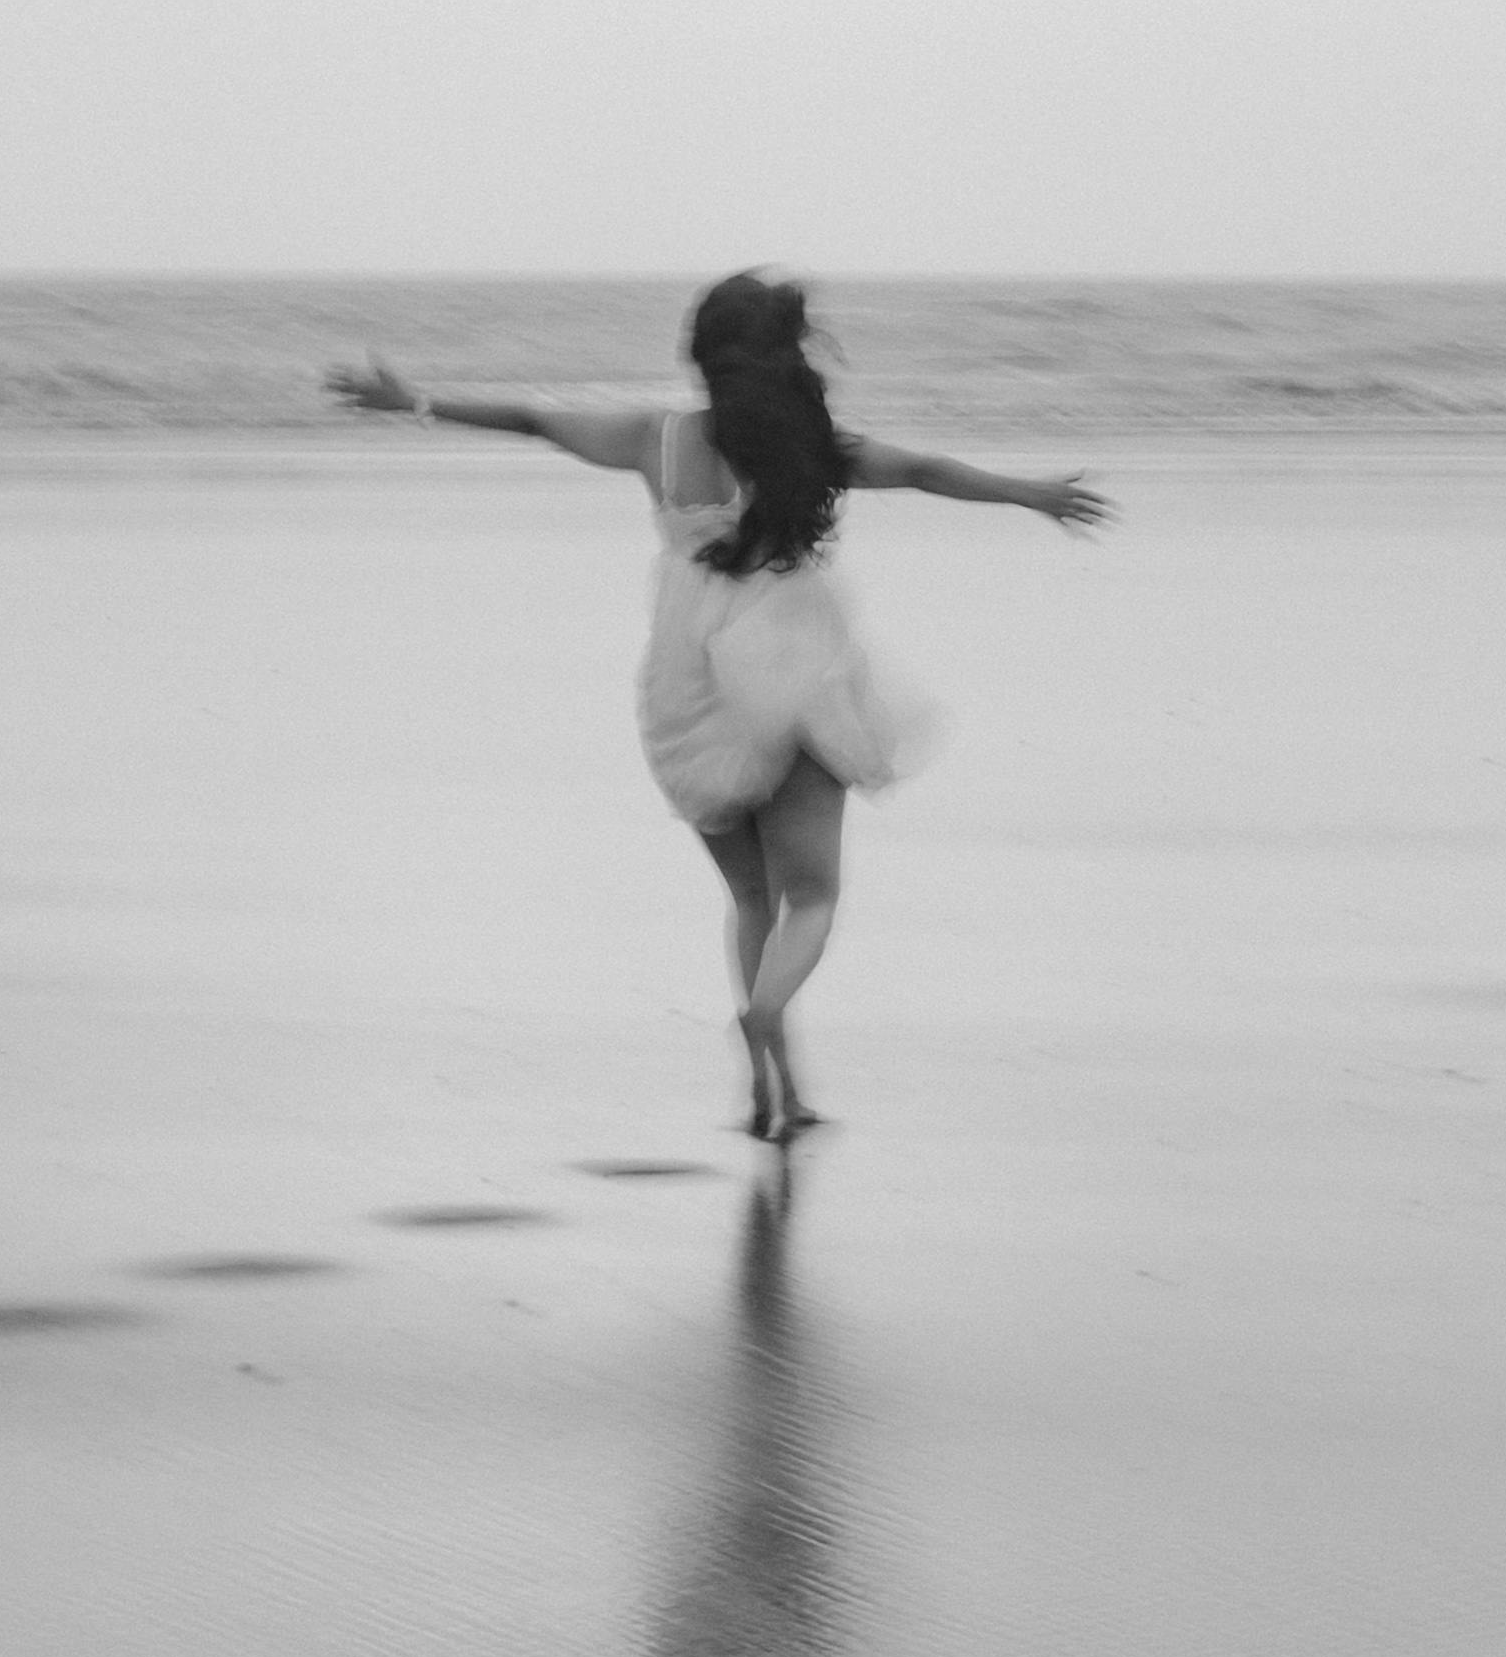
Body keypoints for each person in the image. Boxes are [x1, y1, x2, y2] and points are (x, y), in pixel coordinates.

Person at [325, 270, 1108, 1140]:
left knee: (749, 896)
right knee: (812, 895)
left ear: (702, 355)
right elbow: (923, 471)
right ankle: (767, 1015)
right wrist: (1028, 492)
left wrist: (416, 400)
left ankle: (774, 1089)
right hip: (789, 669)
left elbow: (534, 418)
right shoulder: (811, 450)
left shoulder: (652, 439)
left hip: (686, 679)